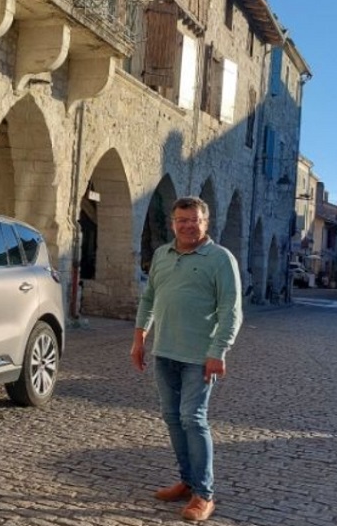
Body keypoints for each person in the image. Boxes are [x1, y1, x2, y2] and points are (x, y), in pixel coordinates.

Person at [130, 196, 243, 522]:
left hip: (200, 357)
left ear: (205, 223)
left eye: (195, 220)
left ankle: (204, 494)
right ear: (173, 224)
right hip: (164, 352)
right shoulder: (162, 255)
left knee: (193, 418)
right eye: (182, 220)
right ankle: (187, 481)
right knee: (172, 416)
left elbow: (231, 310)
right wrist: (139, 338)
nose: (188, 226)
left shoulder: (221, 259)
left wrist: (218, 352)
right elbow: (149, 298)